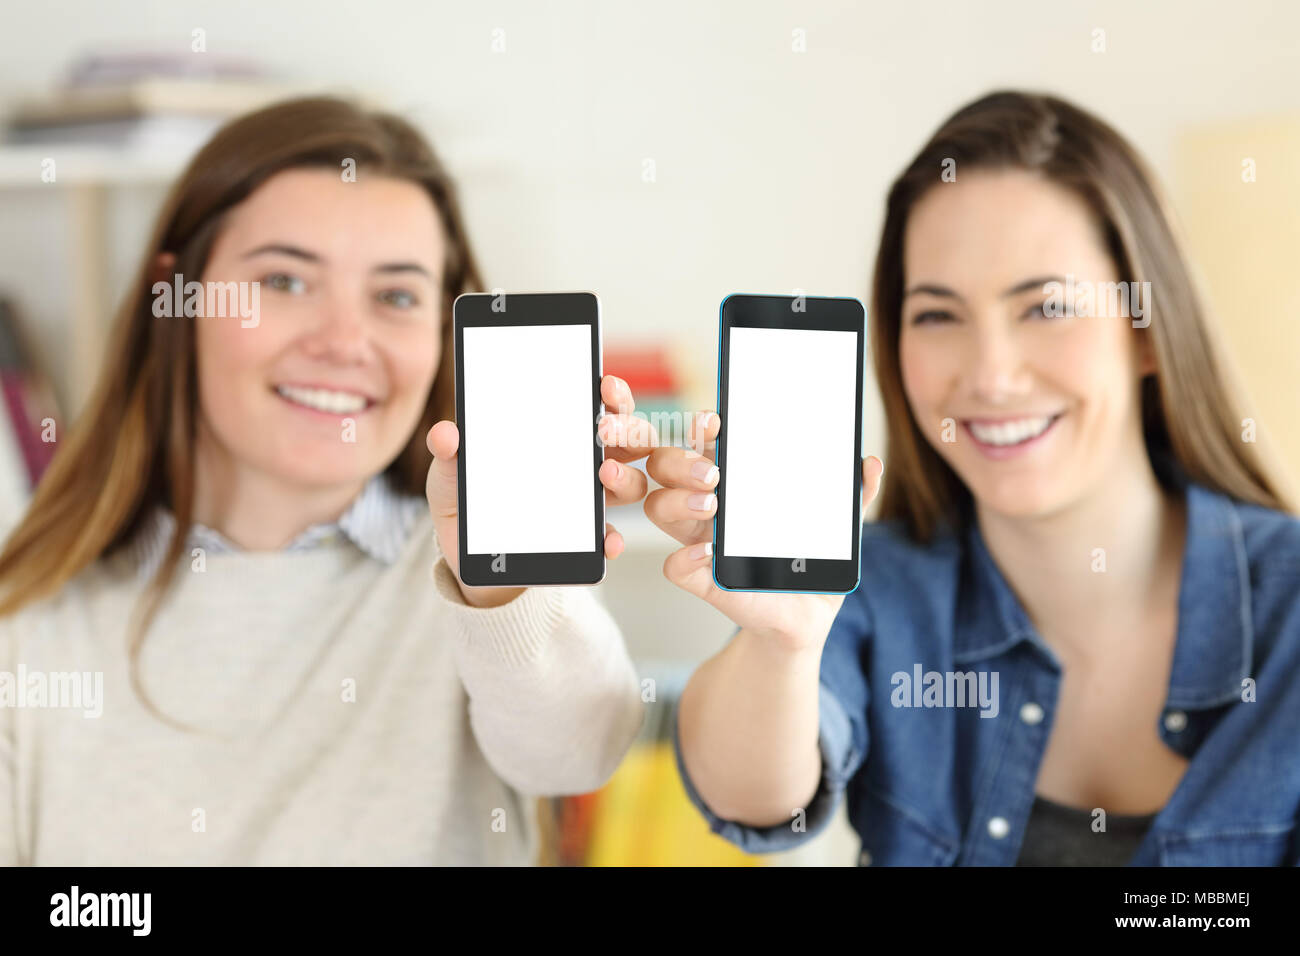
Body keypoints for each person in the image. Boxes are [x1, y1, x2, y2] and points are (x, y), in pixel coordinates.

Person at [0, 97, 654, 865]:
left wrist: (497, 587)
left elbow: (578, 751)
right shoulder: (34, 622)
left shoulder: (485, 580)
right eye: (284, 281)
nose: (345, 342)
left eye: (397, 296)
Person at [654, 90, 1300, 865]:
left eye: (1046, 307)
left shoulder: (1287, 608)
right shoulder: (877, 586)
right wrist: (780, 645)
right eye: (937, 315)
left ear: (1148, 333)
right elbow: (753, 802)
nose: (990, 377)